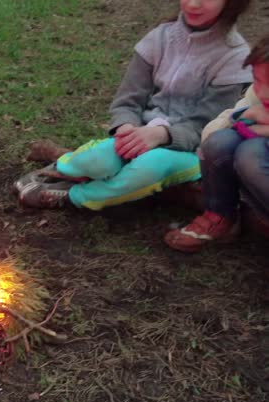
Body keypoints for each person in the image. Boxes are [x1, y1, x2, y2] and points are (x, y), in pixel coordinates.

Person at [15, 0, 253, 211]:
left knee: (150, 166)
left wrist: (161, 135)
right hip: (139, 134)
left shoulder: (234, 56)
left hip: (191, 152)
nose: (193, 4)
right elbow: (128, 100)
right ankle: (62, 168)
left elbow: (208, 127)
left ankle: (73, 197)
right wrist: (126, 128)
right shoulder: (159, 38)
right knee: (98, 161)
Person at [165, 35, 269, 252]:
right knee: (221, 141)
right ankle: (220, 215)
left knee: (251, 152)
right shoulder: (258, 97)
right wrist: (246, 115)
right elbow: (211, 134)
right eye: (258, 80)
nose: (262, 92)